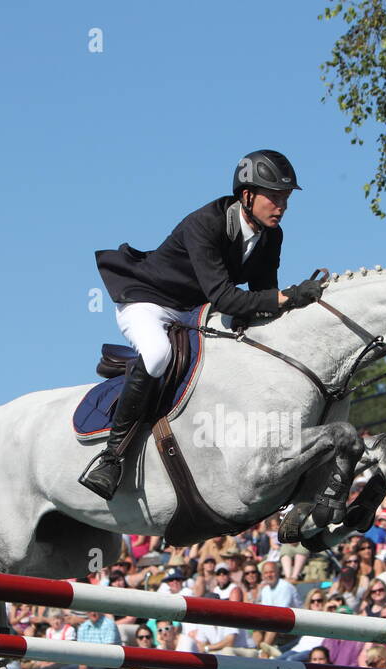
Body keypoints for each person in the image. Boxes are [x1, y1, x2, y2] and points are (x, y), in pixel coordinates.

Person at [83, 149, 315, 499]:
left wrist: (292, 308)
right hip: (148, 301)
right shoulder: (205, 223)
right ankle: (111, 458)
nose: (281, 206)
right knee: (159, 355)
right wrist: (286, 297)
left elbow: (262, 294)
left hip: (194, 310)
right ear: (247, 195)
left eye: (285, 198)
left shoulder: (271, 236)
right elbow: (225, 297)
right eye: (274, 197)